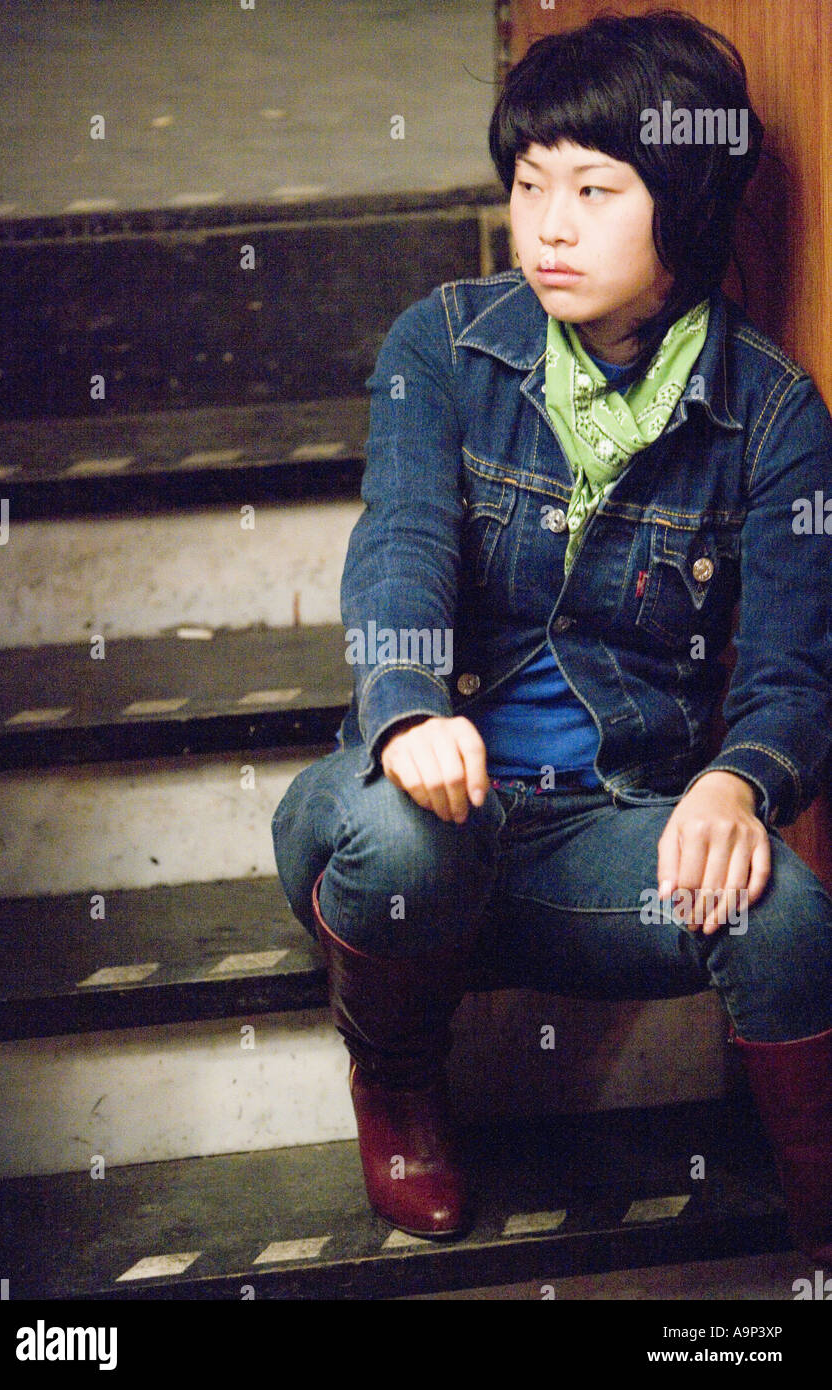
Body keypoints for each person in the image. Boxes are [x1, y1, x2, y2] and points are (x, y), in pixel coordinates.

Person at [271, 10, 832, 1255]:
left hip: (601, 838)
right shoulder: (444, 345)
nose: (550, 227)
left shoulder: (774, 415)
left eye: (593, 189)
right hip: (406, 814)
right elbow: (400, 542)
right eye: (529, 188)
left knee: (784, 912)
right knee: (401, 836)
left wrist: (739, 785)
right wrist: (409, 705)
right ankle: (397, 1077)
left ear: (681, 203)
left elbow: (796, 669)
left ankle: (816, 1225)